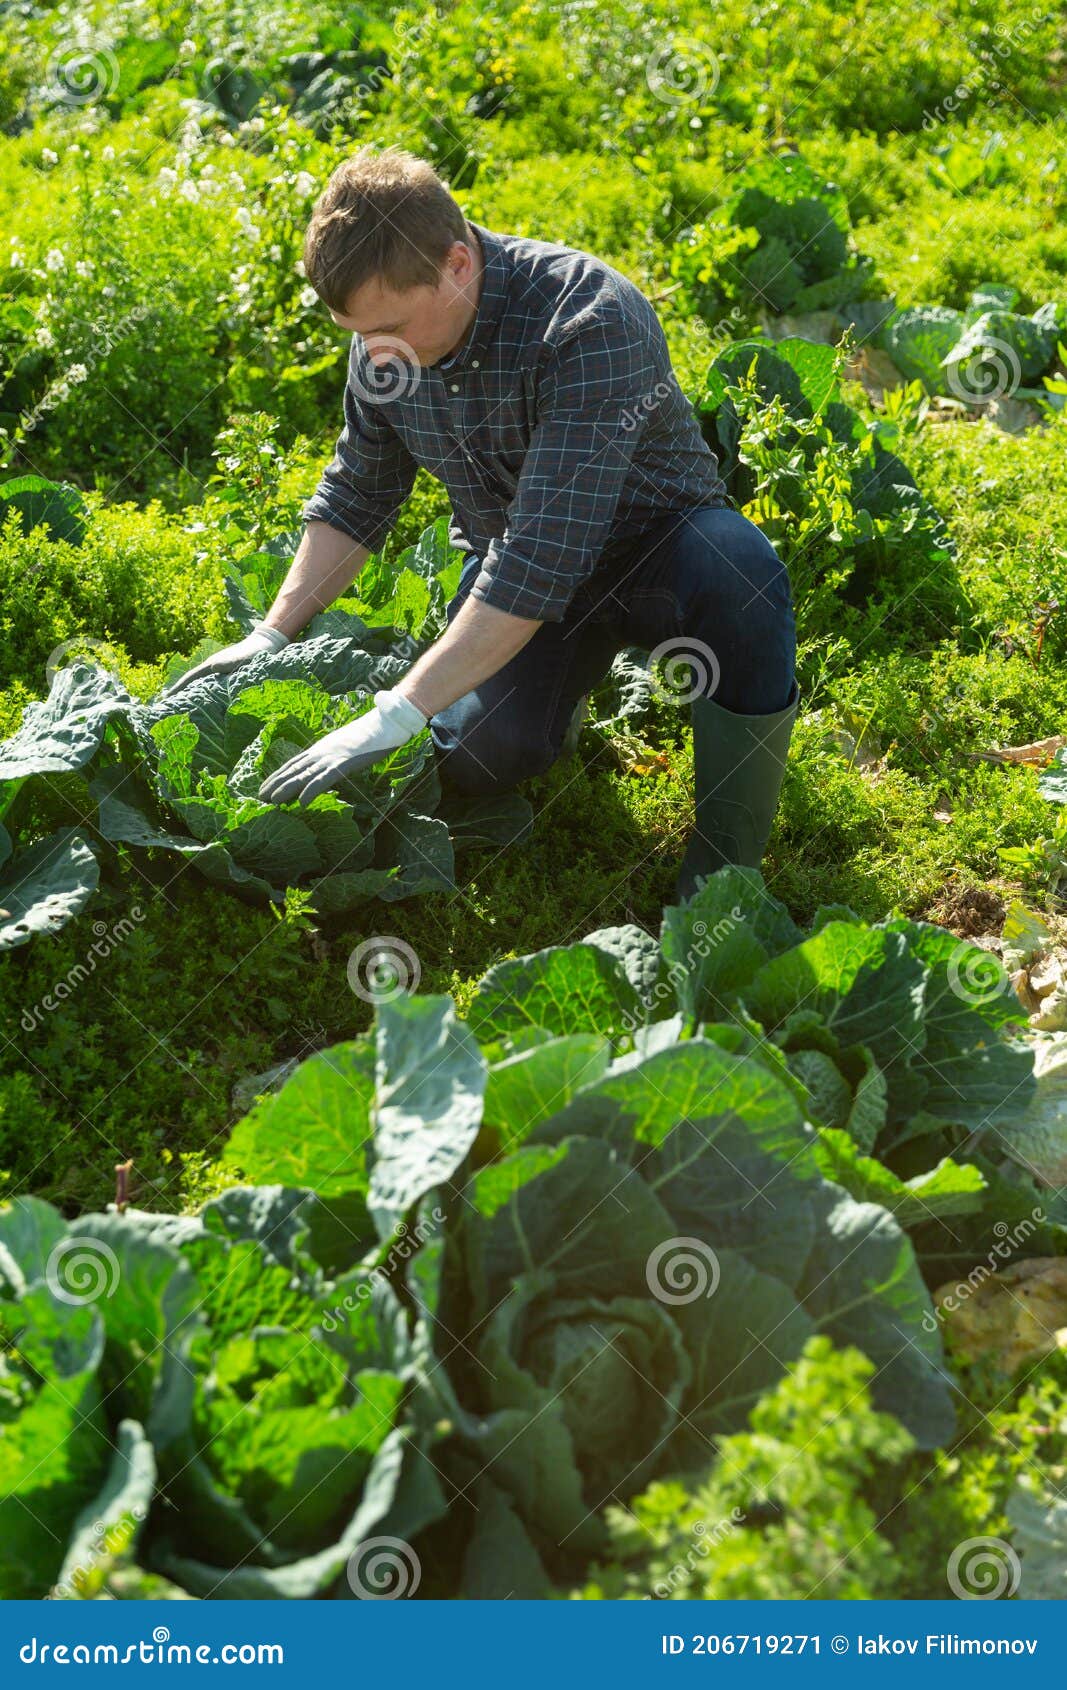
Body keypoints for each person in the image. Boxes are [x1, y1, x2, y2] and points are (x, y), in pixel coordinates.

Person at [166, 144, 798, 903]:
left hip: (657, 552)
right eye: (355, 333)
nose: (372, 354)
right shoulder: (383, 347)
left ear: (457, 264)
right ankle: (554, 700)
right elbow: (358, 497)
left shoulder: (586, 319)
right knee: (481, 758)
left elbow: (542, 554)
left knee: (743, 573)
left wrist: (397, 710)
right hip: (511, 570)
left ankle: (724, 867)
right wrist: (273, 633)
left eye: (389, 326)